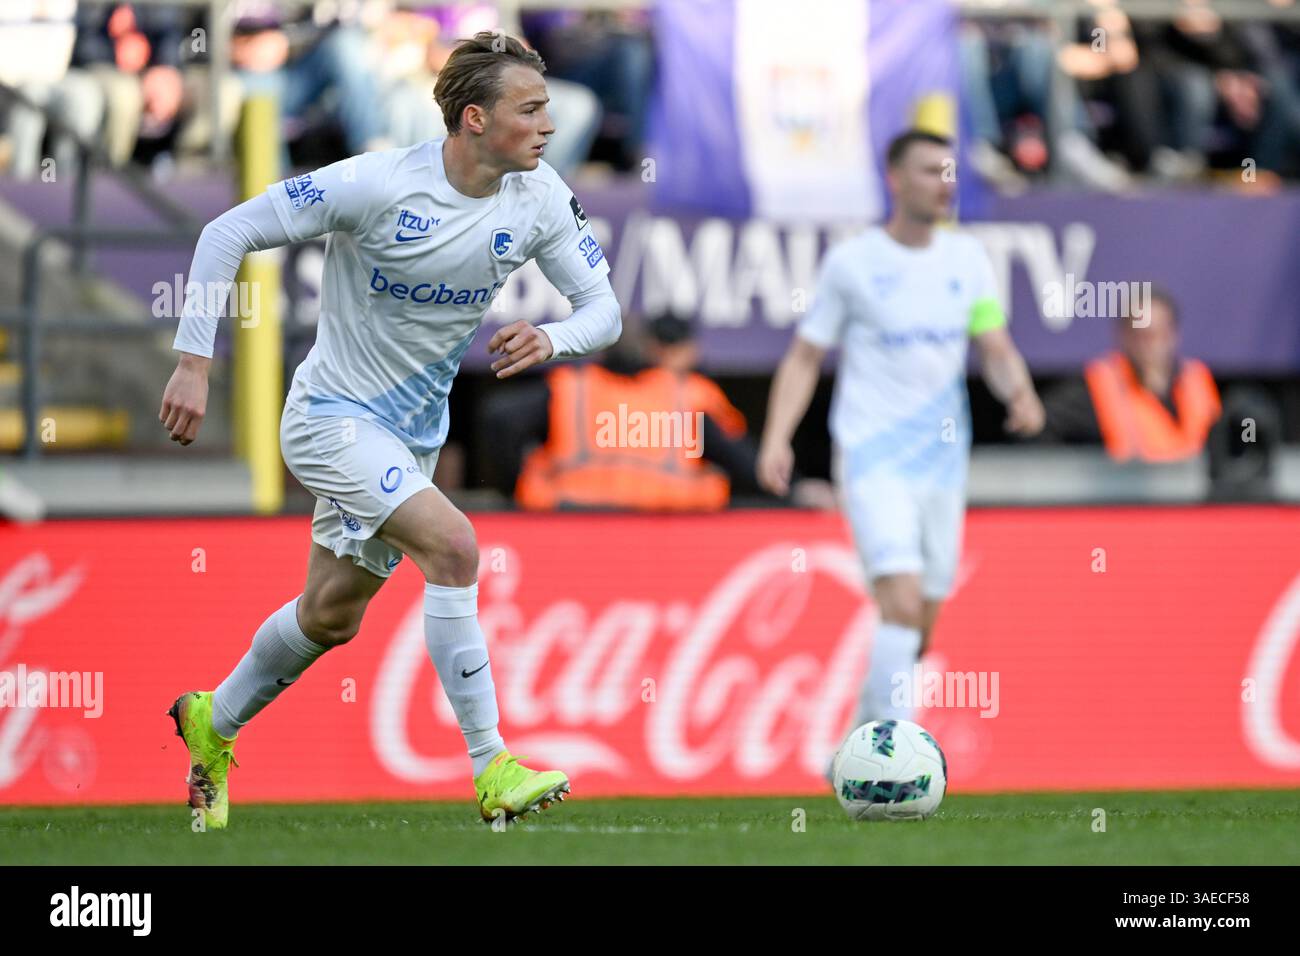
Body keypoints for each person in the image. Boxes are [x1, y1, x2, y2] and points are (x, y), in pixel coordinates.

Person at [158, 32, 621, 829]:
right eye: (531, 108)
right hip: (331, 420)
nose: (551, 123)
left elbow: (605, 311)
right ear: (474, 118)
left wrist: (554, 338)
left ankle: (214, 720)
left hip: (413, 436)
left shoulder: (539, 196)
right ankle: (491, 767)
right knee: (456, 548)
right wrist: (194, 363)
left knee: (331, 615)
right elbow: (224, 232)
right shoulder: (375, 183)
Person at [757, 130, 1044, 758]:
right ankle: (893, 758)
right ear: (894, 178)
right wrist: (777, 436)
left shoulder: (966, 260)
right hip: (871, 457)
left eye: (949, 171)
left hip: (943, 463)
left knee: (920, 623)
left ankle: (856, 743)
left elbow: (993, 346)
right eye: (929, 170)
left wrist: (1018, 391)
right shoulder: (853, 263)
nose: (944, 182)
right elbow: (805, 357)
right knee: (903, 601)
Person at [486, 313, 831, 510]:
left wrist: (511, 487)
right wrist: (796, 490)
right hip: (668, 528)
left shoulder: (570, 387)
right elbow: (741, 462)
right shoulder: (685, 394)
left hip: (572, 520)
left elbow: (498, 420)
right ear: (653, 353)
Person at [1039, 288, 1220, 461]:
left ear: (1174, 335)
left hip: (1199, 489)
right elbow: (1041, 426)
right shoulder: (1099, 387)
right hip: (1127, 489)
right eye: (1141, 335)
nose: (1150, 346)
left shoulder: (1196, 379)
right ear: (1123, 336)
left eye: (1158, 334)